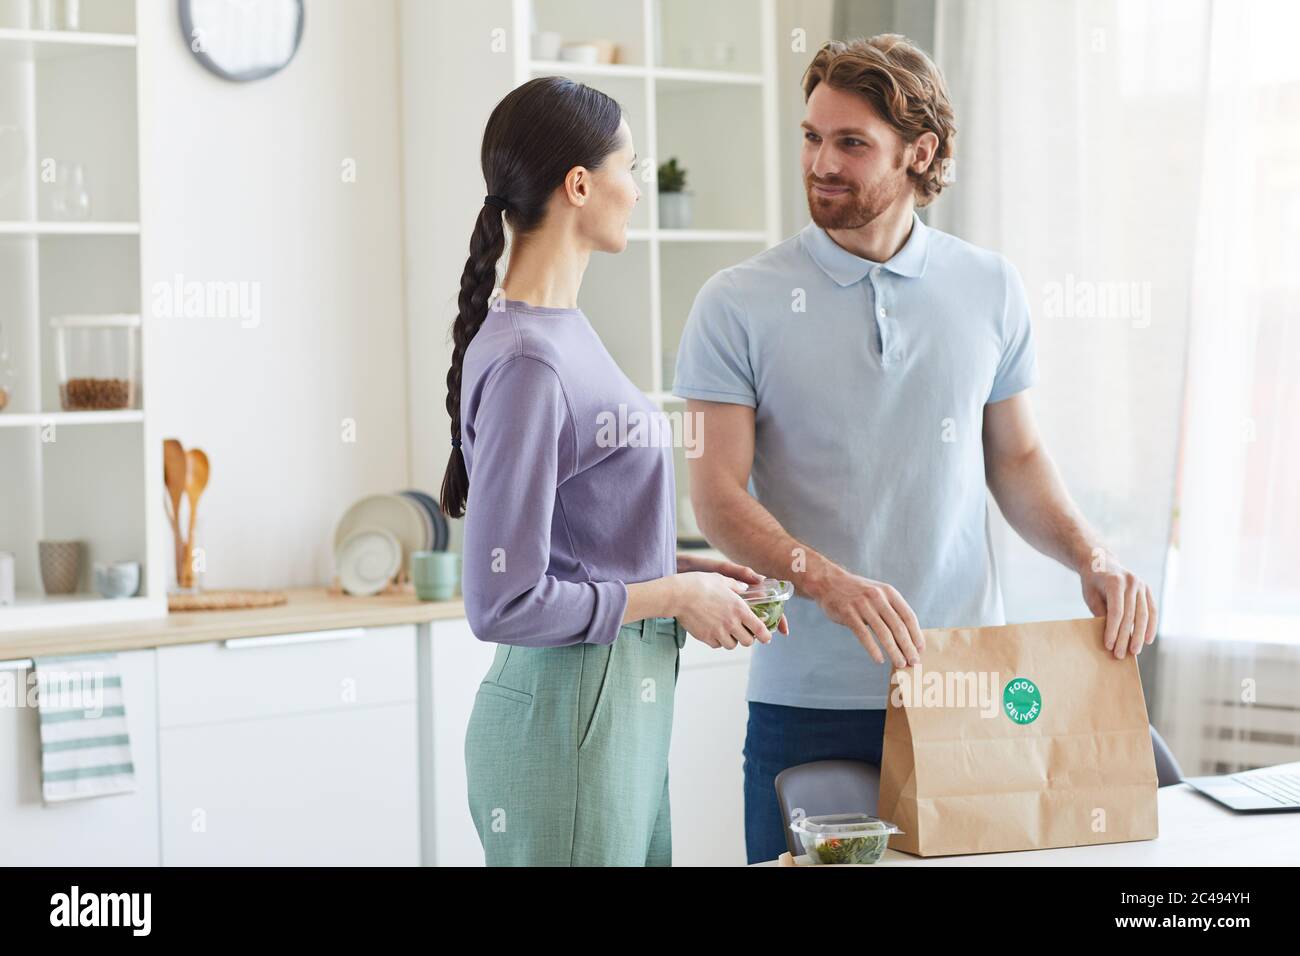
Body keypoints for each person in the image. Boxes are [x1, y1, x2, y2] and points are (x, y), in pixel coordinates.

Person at [672, 35, 1159, 864]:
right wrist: (824, 579)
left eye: (851, 142)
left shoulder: (989, 286)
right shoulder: (738, 303)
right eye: (811, 136)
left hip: (964, 687)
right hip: (808, 698)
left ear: (919, 151)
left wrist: (1091, 556)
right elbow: (717, 495)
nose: (821, 161)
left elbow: (1017, 460)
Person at [443, 76, 786, 867]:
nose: (636, 190)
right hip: (572, 718)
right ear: (579, 185)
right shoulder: (531, 358)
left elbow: (575, 540)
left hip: (611, 712)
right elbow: (502, 600)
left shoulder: (556, 333)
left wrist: (686, 573)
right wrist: (673, 594)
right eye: (630, 167)